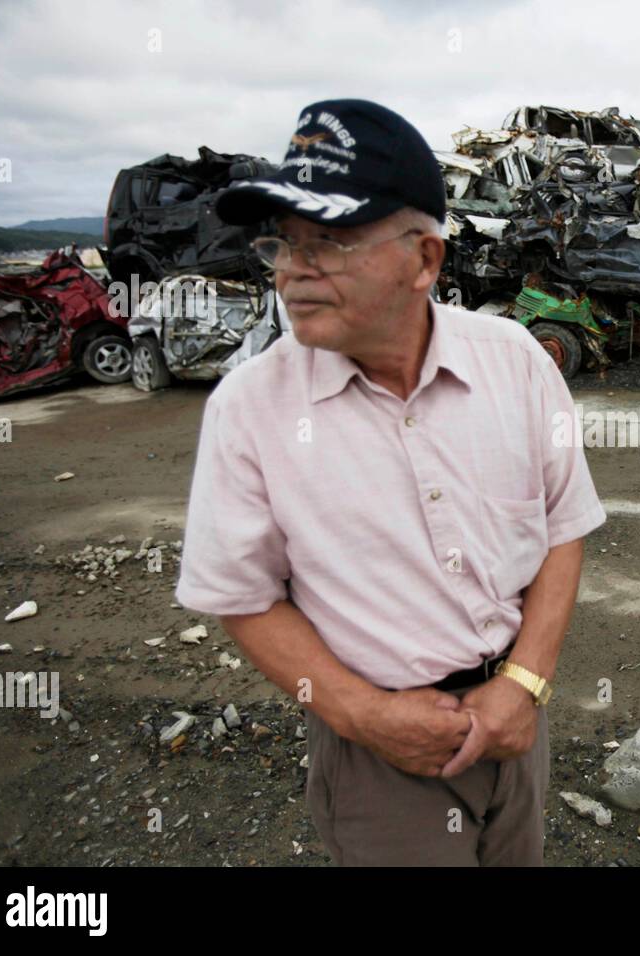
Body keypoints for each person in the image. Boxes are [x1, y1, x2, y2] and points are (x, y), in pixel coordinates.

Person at [174, 99, 606, 865]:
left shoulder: (516, 362)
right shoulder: (250, 409)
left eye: (331, 241)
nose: (293, 268)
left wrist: (525, 684)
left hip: (517, 726)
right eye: (284, 242)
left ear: (425, 260)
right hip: (379, 761)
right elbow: (242, 597)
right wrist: (367, 716)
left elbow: (562, 528)